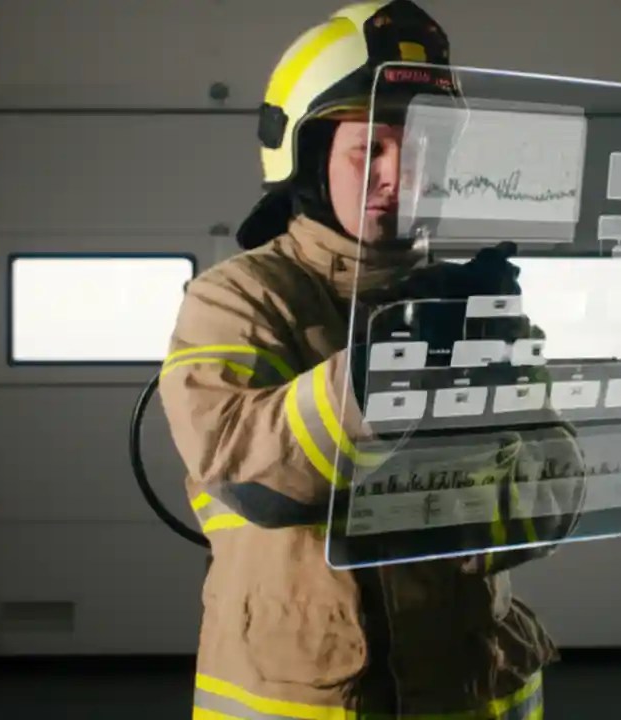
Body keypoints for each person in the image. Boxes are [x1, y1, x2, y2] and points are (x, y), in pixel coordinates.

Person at [159, 2, 581, 716]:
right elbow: (246, 470)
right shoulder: (239, 299)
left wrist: (454, 493)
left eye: (423, 149)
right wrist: (390, 370)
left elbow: (555, 493)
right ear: (308, 155)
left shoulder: (472, 305)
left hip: (470, 690)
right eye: (372, 149)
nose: (400, 174)